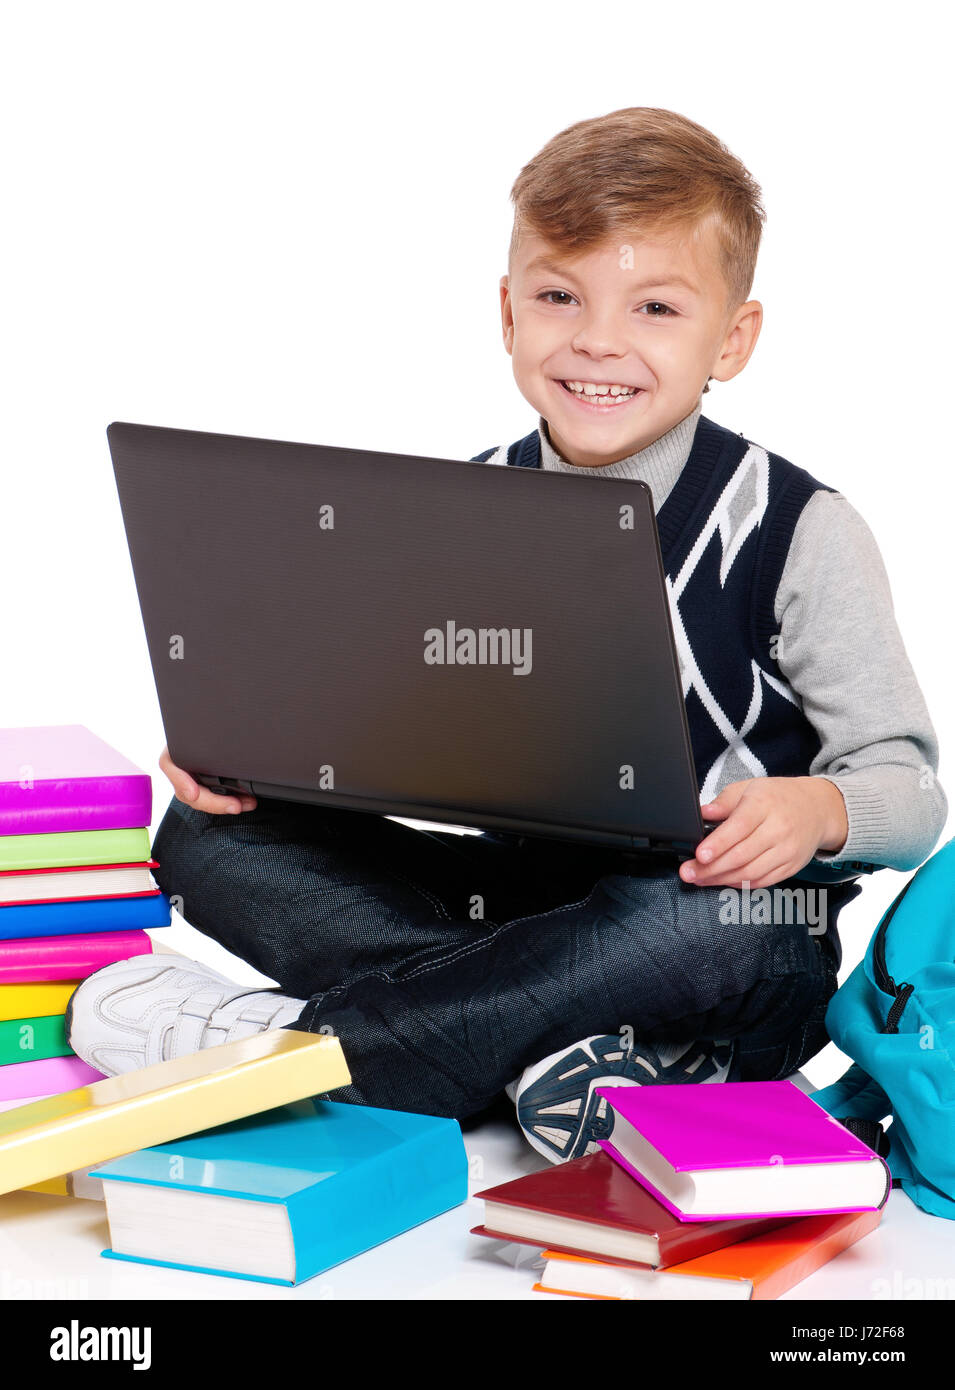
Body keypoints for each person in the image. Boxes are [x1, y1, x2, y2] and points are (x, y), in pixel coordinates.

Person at [67, 107, 947, 1164]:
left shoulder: (799, 530)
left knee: (716, 925)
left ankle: (306, 1047)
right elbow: (393, 739)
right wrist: (260, 762)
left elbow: (912, 796)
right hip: (511, 906)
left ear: (733, 339)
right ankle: (555, 1049)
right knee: (209, 839)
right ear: (507, 313)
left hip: (716, 936)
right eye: (557, 297)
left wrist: (818, 809)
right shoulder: (463, 508)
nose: (597, 341)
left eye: (656, 307)